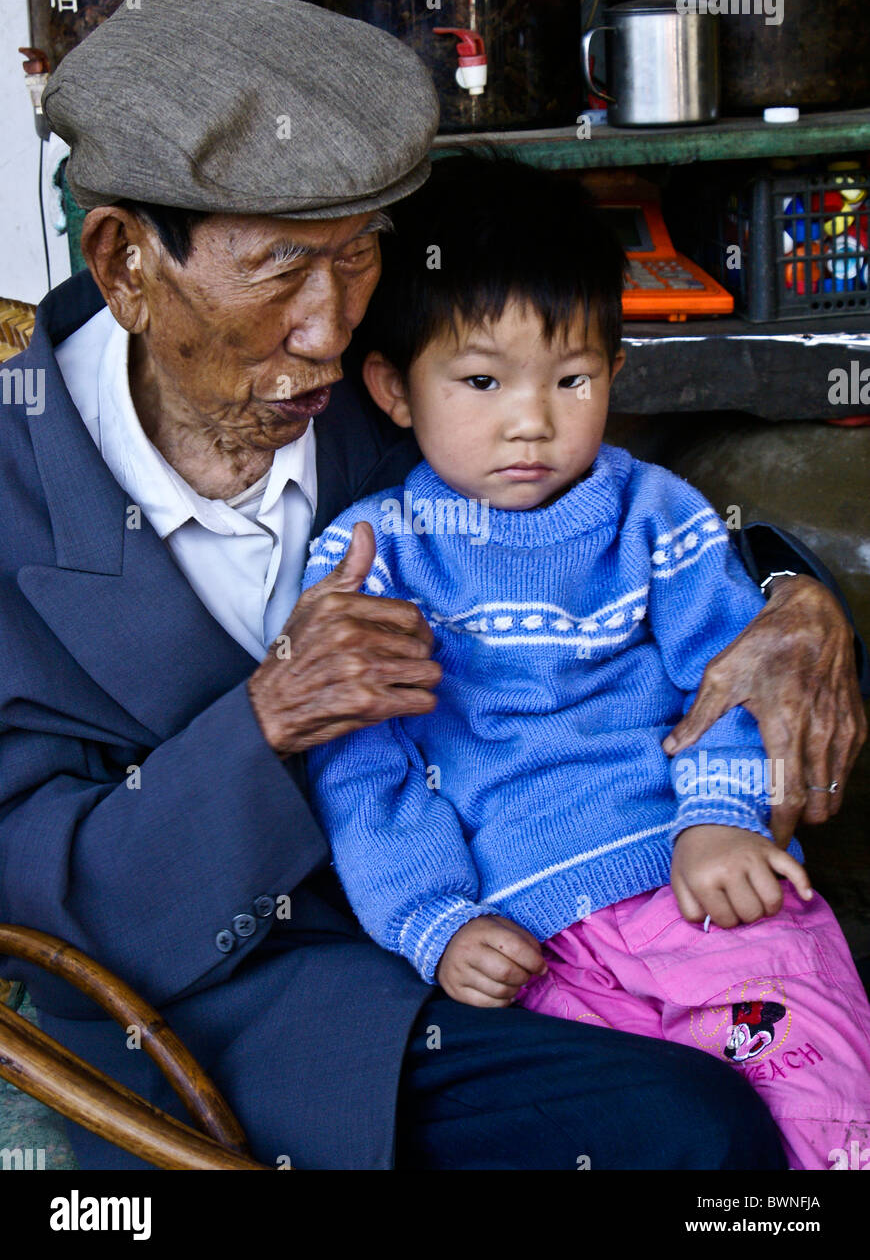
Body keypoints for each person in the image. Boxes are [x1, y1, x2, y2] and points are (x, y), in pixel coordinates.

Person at [0, 0, 866, 1171]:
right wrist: (266, 721)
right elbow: (33, 894)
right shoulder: (15, 490)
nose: (324, 329)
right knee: (693, 1132)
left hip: (526, 898)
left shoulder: (381, 366)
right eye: (280, 270)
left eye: (355, 256)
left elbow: (614, 490)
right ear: (125, 263)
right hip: (249, 1007)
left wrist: (787, 594)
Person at [301, 151, 870, 1170]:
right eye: (481, 381)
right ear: (392, 387)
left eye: (573, 378)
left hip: (701, 896)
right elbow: (364, 770)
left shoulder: (655, 518)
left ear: (615, 365)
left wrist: (717, 819)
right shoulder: (374, 557)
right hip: (529, 951)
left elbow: (730, 676)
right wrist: (433, 923)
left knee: (799, 1075)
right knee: (652, 1134)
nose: (532, 421)